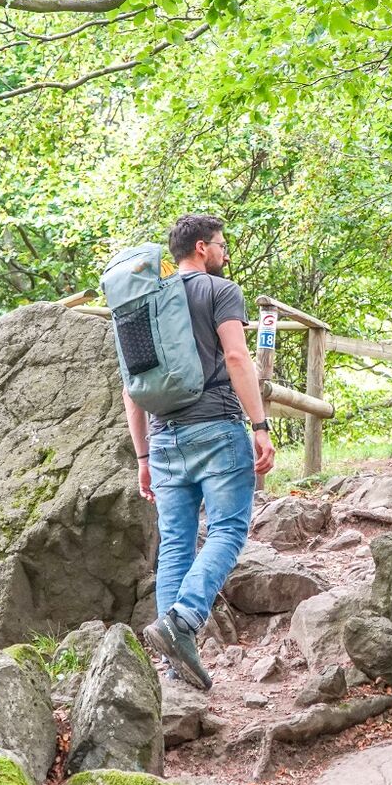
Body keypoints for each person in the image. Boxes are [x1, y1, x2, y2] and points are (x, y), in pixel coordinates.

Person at [124, 213, 275, 690]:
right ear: (202, 249)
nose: (225, 254)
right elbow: (236, 357)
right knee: (229, 530)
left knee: (176, 546)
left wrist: (143, 456)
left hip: (164, 435)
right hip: (216, 427)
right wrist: (261, 424)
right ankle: (184, 619)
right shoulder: (220, 291)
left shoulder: (145, 299)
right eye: (221, 245)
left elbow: (133, 386)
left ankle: (176, 668)